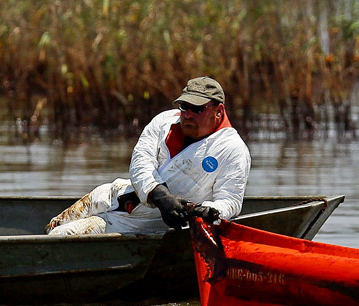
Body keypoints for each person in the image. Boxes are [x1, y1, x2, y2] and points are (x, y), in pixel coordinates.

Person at [46, 76, 251, 235]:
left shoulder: (233, 149)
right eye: (184, 107)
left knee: (58, 236)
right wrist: (160, 195)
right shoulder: (163, 121)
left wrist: (203, 212)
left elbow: (230, 202)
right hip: (111, 195)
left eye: (197, 108)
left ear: (219, 110)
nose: (187, 114)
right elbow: (140, 161)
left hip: (137, 222)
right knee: (52, 226)